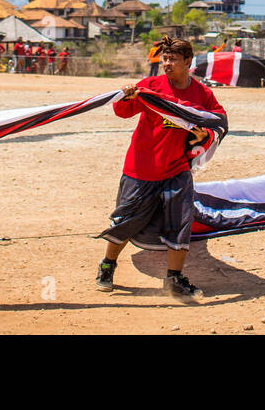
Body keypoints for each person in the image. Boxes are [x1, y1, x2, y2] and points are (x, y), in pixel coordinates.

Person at [95, 38, 226, 301]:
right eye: (164, 59)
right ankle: (107, 265)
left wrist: (205, 135)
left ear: (188, 62)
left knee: (180, 223)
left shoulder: (201, 93)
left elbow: (218, 120)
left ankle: (174, 279)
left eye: (173, 59)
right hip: (141, 168)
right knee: (126, 221)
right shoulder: (150, 86)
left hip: (177, 169)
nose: (166, 64)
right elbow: (122, 112)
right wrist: (125, 96)